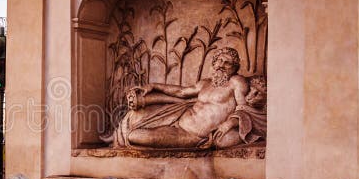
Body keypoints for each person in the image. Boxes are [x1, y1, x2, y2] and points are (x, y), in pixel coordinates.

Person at [111, 47, 249, 148]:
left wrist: (229, 124)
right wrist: (153, 86)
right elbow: (181, 92)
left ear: (234, 68)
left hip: (193, 135)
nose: (221, 65)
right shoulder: (205, 83)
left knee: (136, 137)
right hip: (178, 123)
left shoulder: (236, 82)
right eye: (219, 60)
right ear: (214, 63)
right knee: (133, 134)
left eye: (227, 63)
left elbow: (244, 110)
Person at [211, 75, 267, 148]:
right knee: (222, 139)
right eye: (250, 90)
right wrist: (231, 122)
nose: (249, 97)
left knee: (223, 140)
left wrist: (231, 123)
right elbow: (243, 112)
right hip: (244, 128)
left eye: (257, 93)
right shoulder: (246, 107)